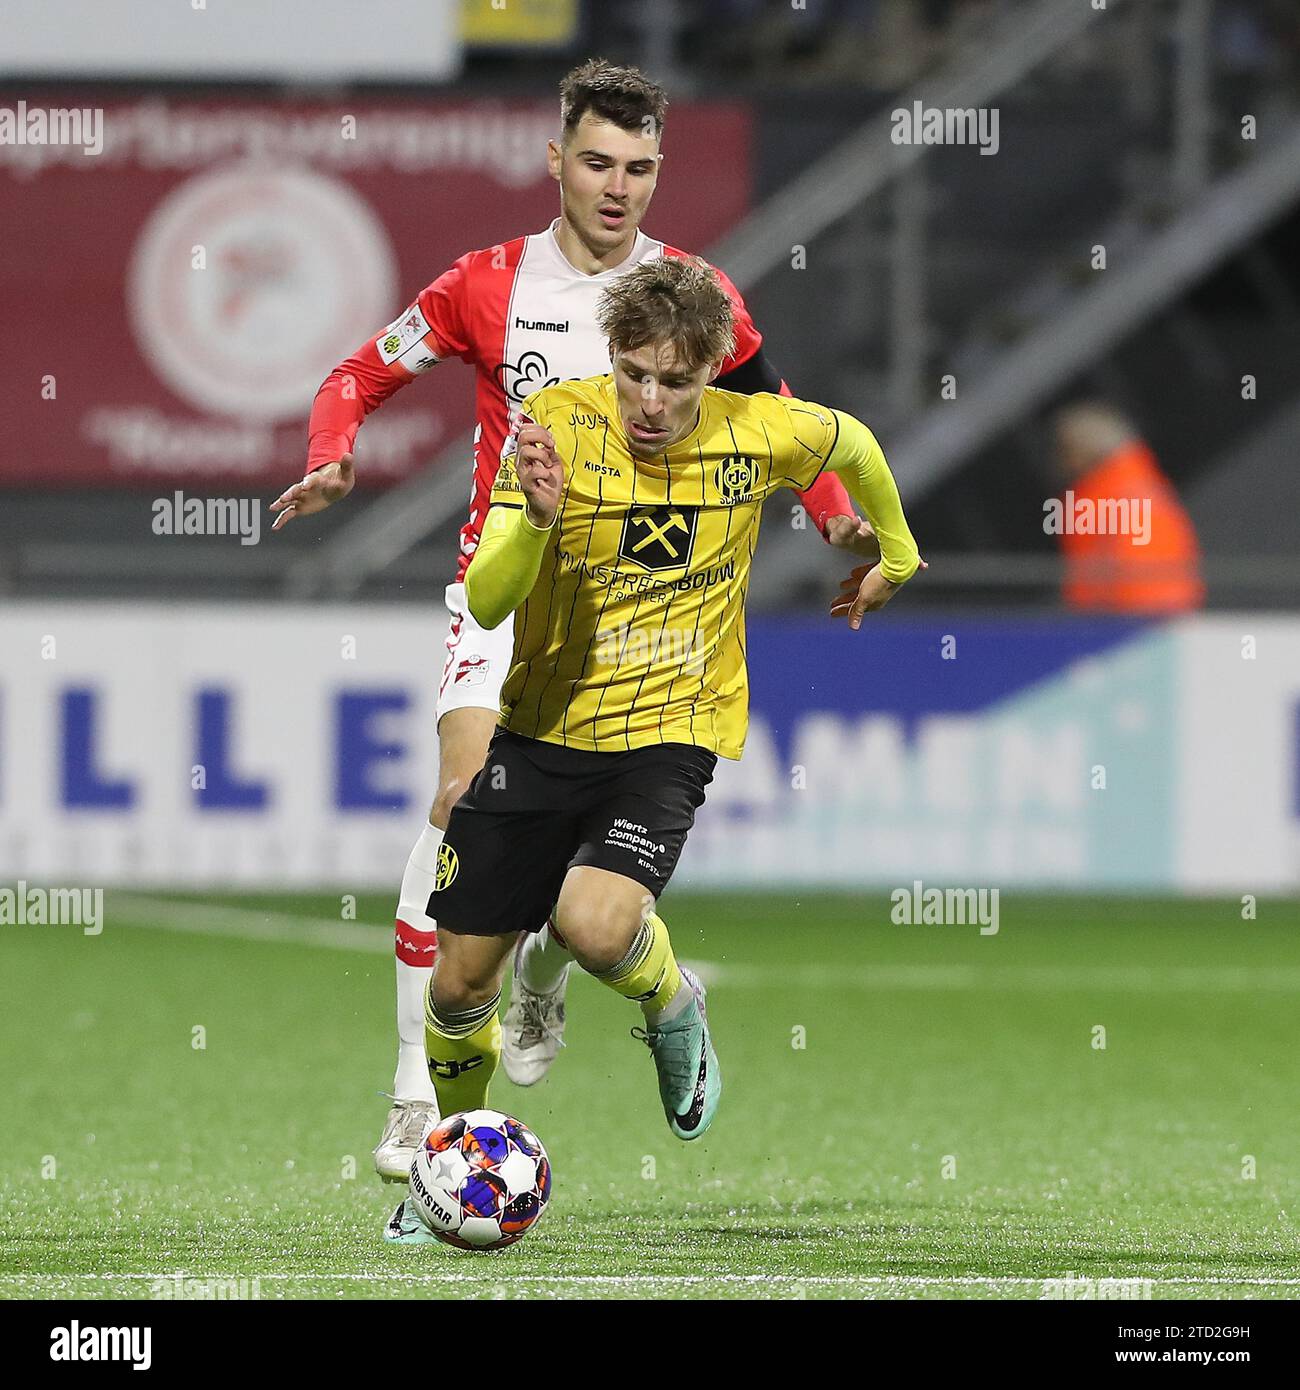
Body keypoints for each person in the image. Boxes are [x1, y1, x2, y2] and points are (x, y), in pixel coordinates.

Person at [271, 59, 880, 1180]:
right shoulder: (485, 283)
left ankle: (548, 978)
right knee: (458, 802)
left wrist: (838, 517)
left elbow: (786, 414)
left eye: (640, 168)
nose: (617, 187)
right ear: (557, 159)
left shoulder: (692, 295)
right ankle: (417, 1101)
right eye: (597, 161)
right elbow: (359, 372)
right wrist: (330, 457)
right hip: (506, 590)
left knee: (578, 899)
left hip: (635, 608)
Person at [420, 255, 921, 1143]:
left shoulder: (760, 431)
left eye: (676, 382)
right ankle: (449, 1163)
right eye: (634, 374)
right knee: (457, 986)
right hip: (541, 727)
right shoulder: (554, 426)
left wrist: (899, 555)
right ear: (610, 354)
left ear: (713, 371)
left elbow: (854, 443)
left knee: (594, 925)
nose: (651, 401)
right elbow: (492, 600)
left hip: (670, 731)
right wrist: (535, 521)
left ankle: (672, 1005)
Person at [1051, 402, 1204, 613]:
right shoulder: (1140, 480)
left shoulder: (1102, 494)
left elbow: (1110, 564)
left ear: (1079, 451)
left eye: (1064, 452)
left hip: (1129, 617)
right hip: (1172, 608)